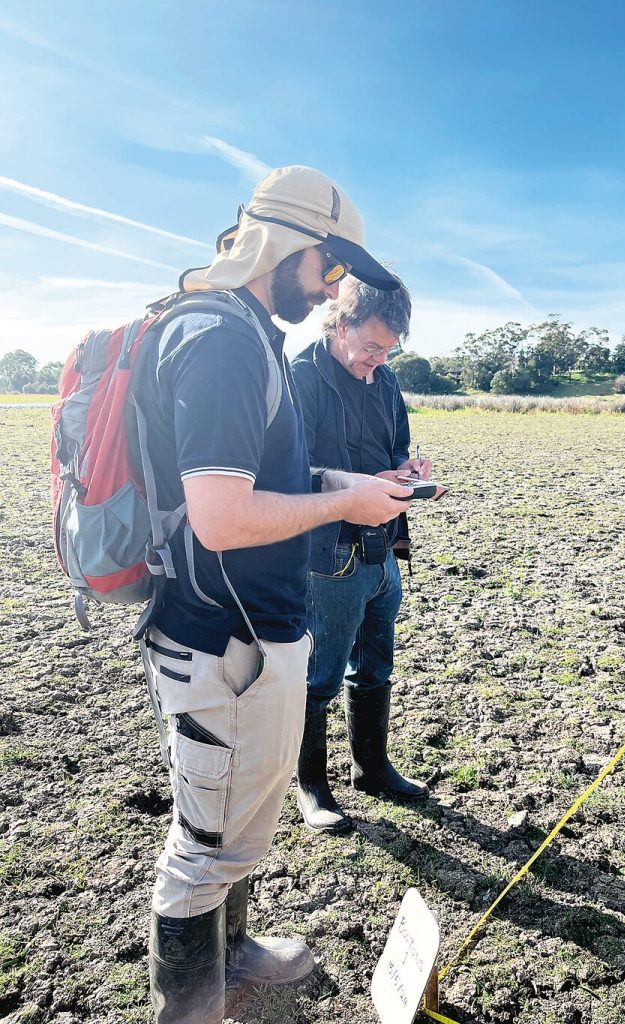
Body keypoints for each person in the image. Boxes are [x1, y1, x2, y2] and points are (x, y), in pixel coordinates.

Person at [136, 166, 414, 1023]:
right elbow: (221, 518)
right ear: (289, 244)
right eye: (331, 267)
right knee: (204, 847)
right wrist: (342, 505)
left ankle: (232, 954)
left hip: (254, 634)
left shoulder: (248, 334)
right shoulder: (221, 341)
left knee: (239, 822)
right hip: (223, 640)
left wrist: (352, 485)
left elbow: (270, 479)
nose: (332, 286)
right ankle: (190, 1007)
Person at [291, 274, 432, 834]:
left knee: (375, 668)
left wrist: (407, 472)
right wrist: (352, 486)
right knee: (318, 678)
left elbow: (394, 449)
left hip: (383, 548)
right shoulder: (300, 378)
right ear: (340, 323)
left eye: (388, 351)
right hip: (328, 555)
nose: (378, 361)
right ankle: (311, 786)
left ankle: (371, 769)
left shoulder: (387, 381)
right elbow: (285, 472)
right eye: (371, 346)